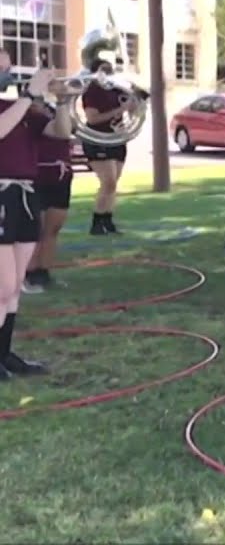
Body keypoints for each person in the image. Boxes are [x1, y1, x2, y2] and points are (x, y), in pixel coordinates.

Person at [0, 58, 72, 380]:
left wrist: (63, 102)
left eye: (9, 67)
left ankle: (5, 355)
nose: (8, 73)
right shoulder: (18, 106)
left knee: (13, 289)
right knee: (3, 285)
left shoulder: (21, 106)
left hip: (26, 195)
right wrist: (29, 95)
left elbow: (60, 133)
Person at [23, 97, 76, 294]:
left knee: (52, 229)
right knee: (35, 230)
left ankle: (43, 273)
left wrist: (63, 102)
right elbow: (60, 131)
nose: (40, 106)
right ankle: (29, 273)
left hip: (60, 178)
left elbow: (67, 130)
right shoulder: (28, 120)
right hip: (36, 178)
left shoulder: (51, 116)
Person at [79, 58, 136, 235]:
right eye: (104, 69)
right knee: (108, 181)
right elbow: (92, 118)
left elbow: (132, 109)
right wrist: (119, 111)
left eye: (110, 69)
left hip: (116, 138)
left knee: (113, 183)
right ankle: (97, 222)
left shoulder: (117, 88)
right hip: (97, 139)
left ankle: (107, 220)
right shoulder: (91, 91)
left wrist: (135, 100)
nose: (109, 72)